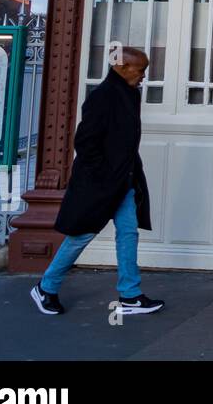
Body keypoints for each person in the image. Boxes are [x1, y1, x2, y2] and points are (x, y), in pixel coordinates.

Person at [30, 47, 164, 317]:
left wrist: (124, 173)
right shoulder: (102, 97)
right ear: (122, 67)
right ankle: (46, 287)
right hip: (100, 184)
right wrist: (105, 174)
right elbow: (85, 143)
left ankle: (130, 295)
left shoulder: (128, 94)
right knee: (81, 236)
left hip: (123, 181)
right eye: (140, 70)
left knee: (128, 233)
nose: (144, 76)